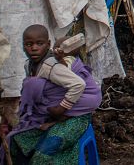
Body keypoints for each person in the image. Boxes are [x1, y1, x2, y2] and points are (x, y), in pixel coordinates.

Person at [9, 25, 101, 164]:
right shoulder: (29, 65)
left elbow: (78, 84)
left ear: (48, 45)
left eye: (39, 44)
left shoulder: (51, 66)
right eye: (29, 44)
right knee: (18, 140)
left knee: (43, 155)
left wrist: (61, 109)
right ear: (23, 46)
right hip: (50, 114)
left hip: (75, 117)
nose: (34, 48)